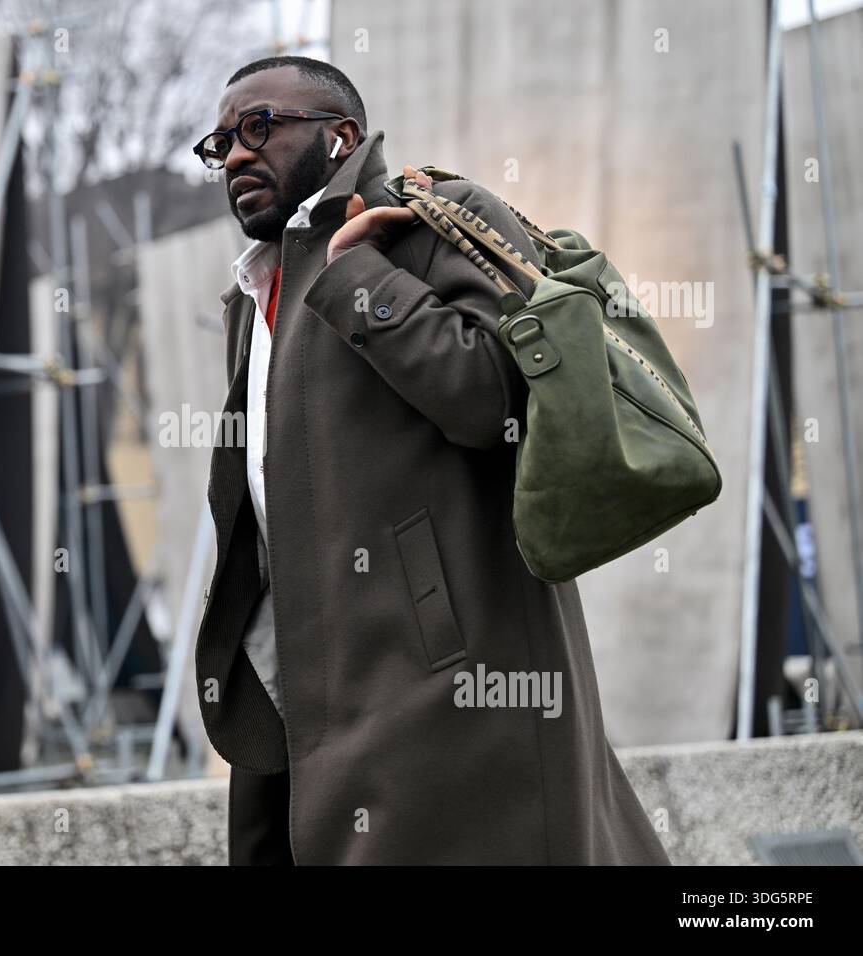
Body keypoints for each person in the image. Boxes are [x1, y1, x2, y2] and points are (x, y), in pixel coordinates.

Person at [191, 55, 671, 865]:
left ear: (339, 134)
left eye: (259, 127)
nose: (235, 154)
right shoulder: (251, 296)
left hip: (448, 681)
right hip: (302, 687)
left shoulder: (432, 218)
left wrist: (360, 278)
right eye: (220, 142)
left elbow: (494, 400)